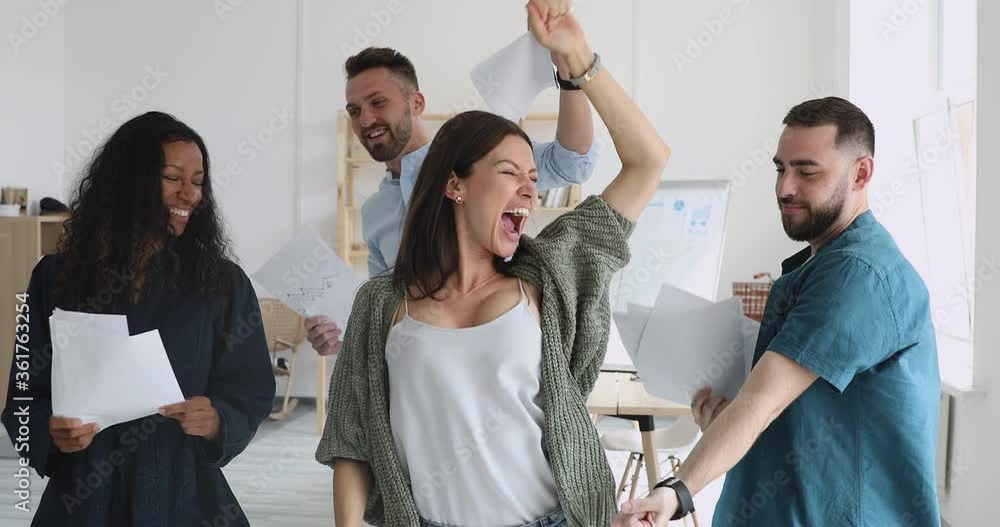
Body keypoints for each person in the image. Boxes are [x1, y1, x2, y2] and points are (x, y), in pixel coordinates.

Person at [314, 2, 671, 526]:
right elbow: (351, 439)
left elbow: (648, 160)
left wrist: (578, 60)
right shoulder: (382, 302)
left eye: (532, 175)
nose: (528, 186)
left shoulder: (548, 275)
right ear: (455, 185)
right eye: (509, 172)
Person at [612, 97, 941, 527]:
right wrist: (727, 417)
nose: (785, 188)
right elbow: (781, 408)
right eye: (780, 169)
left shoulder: (857, 275)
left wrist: (676, 491)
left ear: (861, 173)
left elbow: (762, 403)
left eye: (807, 172)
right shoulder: (822, 266)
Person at [1, 111, 276, 526]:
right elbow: (23, 396)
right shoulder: (56, 278)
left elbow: (251, 387)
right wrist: (47, 433)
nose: (190, 194)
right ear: (129, 182)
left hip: (185, 496)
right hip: (85, 499)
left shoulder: (222, 284)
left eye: (198, 181)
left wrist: (219, 418)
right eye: (173, 178)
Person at [303, 11, 599, 357]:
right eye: (354, 110)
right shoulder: (374, 213)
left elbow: (572, 162)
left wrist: (570, 76)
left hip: (501, 350)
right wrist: (344, 335)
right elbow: (386, 310)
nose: (366, 119)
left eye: (378, 102)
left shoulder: (474, 157)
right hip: (424, 373)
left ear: (417, 103)